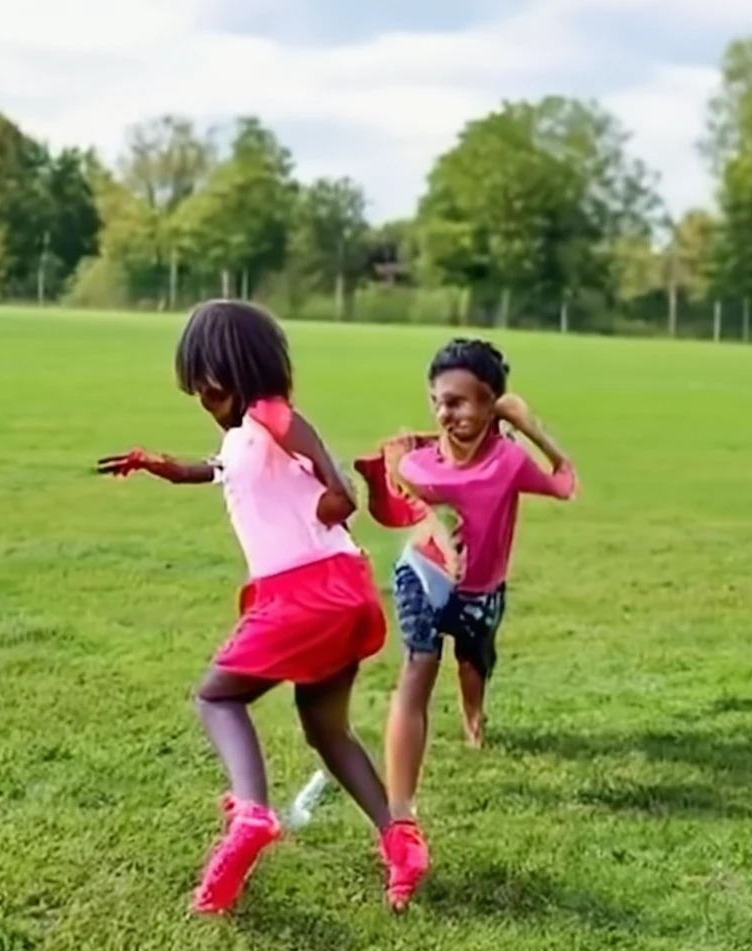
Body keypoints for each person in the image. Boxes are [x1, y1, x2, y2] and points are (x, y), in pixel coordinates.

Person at [96, 300, 424, 914]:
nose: (199, 393)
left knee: (216, 696)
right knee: (326, 728)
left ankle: (251, 815)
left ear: (229, 369)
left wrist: (338, 496)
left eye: (204, 380)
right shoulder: (247, 434)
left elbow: (339, 493)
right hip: (340, 588)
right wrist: (162, 466)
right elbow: (216, 468)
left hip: (306, 591)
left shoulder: (271, 415)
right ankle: (400, 841)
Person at [355, 338, 577, 908]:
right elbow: (389, 509)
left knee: (475, 664)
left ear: (492, 405)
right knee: (419, 663)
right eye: (437, 401)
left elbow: (565, 482)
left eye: (459, 402)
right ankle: (401, 820)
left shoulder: (508, 462)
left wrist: (530, 427)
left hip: (480, 593)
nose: (445, 413)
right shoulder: (417, 461)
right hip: (423, 576)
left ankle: (474, 716)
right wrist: (391, 477)